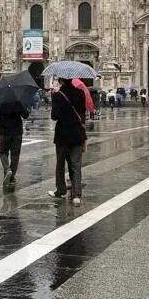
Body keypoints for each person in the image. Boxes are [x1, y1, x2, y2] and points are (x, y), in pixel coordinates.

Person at [48, 77, 87, 205]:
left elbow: (54, 116)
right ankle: (76, 194)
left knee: (60, 164)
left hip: (62, 135)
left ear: (60, 81)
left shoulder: (57, 95)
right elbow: (82, 113)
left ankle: (60, 190)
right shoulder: (80, 93)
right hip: (77, 134)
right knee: (75, 164)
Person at [0, 104, 29, 189]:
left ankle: (7, 169)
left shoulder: (0, 102)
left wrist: (0, 130)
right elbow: (25, 115)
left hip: (4, 131)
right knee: (15, 155)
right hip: (17, 132)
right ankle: (12, 177)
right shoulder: (18, 101)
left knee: (3, 152)